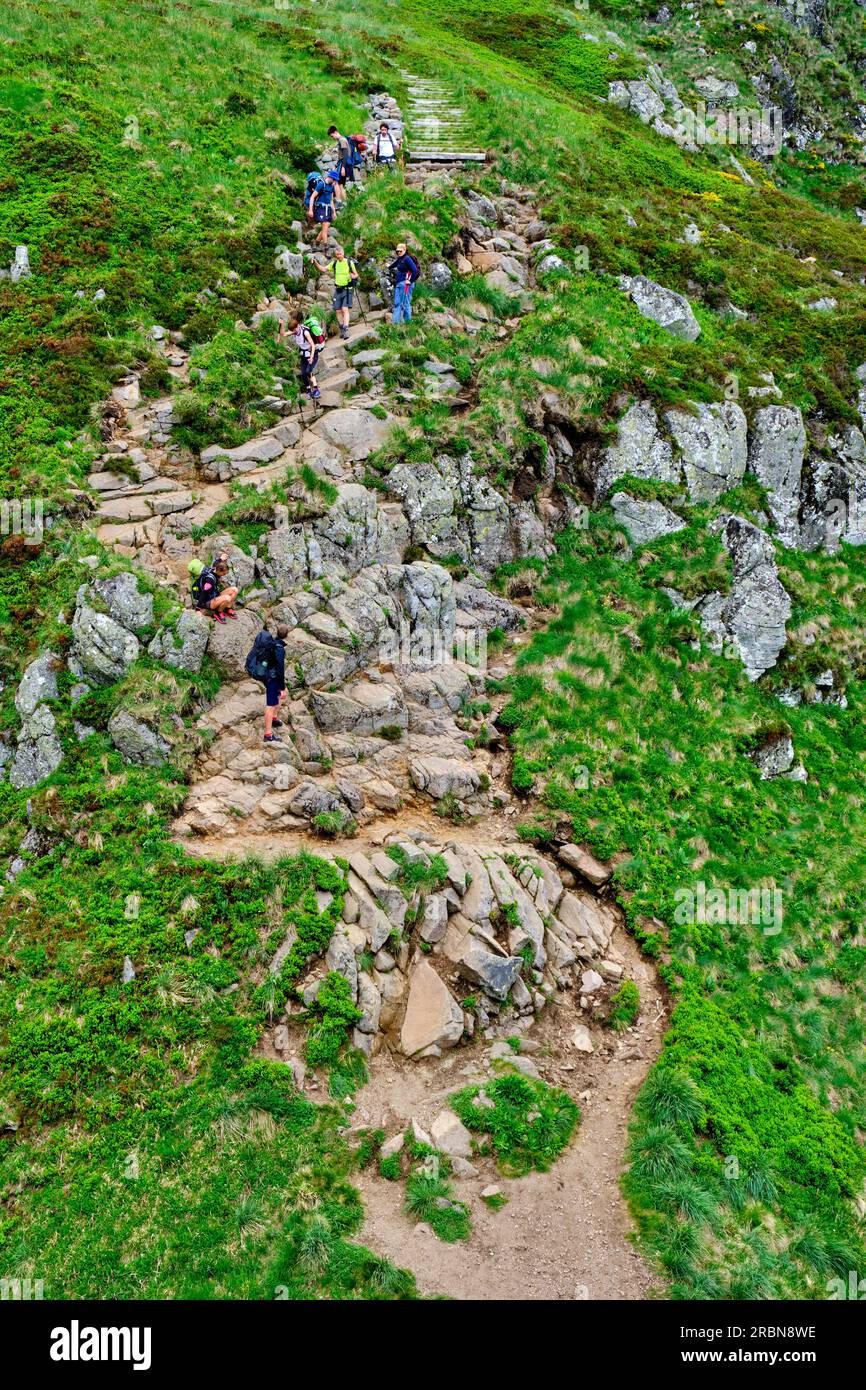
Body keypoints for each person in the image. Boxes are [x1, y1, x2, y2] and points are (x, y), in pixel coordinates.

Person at [280, 313, 321, 401]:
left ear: (298, 326)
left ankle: (316, 390)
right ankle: (308, 390)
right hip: (303, 354)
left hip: (312, 353)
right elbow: (283, 334)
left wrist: (311, 357)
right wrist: (282, 324)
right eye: (293, 330)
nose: (294, 332)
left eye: (295, 330)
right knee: (303, 373)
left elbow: (313, 345)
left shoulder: (305, 332)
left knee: (308, 371)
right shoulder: (295, 330)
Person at [188, 556, 239, 623]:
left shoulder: (214, 568)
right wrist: (198, 609)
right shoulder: (210, 581)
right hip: (208, 602)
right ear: (219, 570)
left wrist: (221, 558)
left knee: (235, 590)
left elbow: (216, 562)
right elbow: (204, 593)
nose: (224, 575)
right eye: (223, 573)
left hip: (215, 595)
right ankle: (219, 612)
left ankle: (227, 608)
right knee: (228, 598)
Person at [262, 624, 288, 743]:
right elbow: (280, 669)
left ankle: (274, 717)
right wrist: (281, 687)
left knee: (284, 693)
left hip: (269, 675)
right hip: (273, 678)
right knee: (270, 705)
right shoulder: (279, 648)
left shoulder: (273, 643)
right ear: (287, 635)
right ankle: (268, 735)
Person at [388, 242, 421, 325]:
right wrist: (389, 266)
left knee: (405, 303)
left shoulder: (407, 259)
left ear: (404, 250)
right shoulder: (400, 258)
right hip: (399, 284)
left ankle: (407, 323)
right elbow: (395, 264)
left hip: (406, 284)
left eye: (400, 251)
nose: (398, 252)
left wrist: (410, 281)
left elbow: (414, 270)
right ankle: (395, 324)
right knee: (397, 303)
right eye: (397, 251)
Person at [331, 245, 359, 340]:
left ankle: (346, 329)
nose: (339, 256)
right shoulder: (334, 263)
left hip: (348, 288)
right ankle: (342, 328)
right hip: (338, 289)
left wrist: (352, 276)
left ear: (343, 253)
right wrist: (315, 263)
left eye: (340, 254)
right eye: (337, 254)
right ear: (335, 255)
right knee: (338, 310)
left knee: (344, 309)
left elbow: (356, 275)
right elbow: (324, 269)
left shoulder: (349, 262)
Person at [307, 169, 338, 245]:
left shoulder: (331, 186)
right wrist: (310, 210)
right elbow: (312, 197)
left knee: (326, 227)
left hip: (328, 209)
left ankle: (316, 243)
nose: (334, 181)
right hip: (320, 208)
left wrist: (334, 212)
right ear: (329, 177)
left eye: (335, 180)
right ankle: (325, 246)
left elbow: (331, 200)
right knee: (325, 228)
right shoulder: (321, 184)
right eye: (334, 179)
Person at [327, 125, 354, 201]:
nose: (333, 138)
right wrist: (336, 166)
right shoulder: (342, 140)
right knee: (340, 184)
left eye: (332, 136)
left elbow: (345, 155)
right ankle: (343, 202)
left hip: (343, 165)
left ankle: (339, 201)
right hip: (341, 164)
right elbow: (341, 156)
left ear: (335, 132)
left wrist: (343, 168)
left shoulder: (342, 140)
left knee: (336, 182)